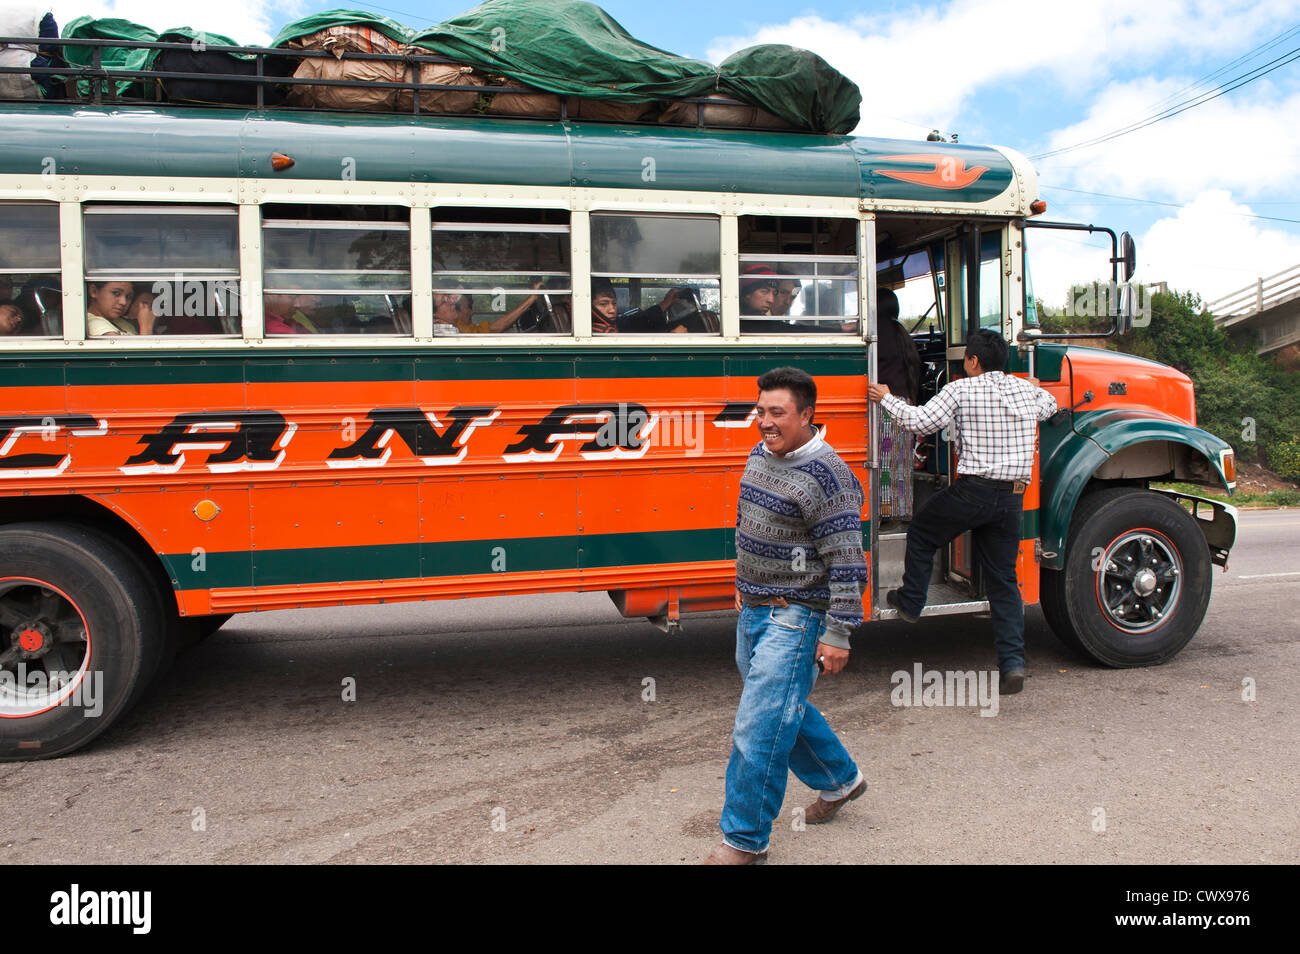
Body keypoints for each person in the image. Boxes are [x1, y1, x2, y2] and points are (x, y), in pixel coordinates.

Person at [704, 366, 869, 865]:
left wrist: (838, 631)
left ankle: (744, 842)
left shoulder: (831, 477)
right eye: (760, 411)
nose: (764, 422)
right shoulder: (762, 453)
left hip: (797, 617)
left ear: (807, 415)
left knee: (758, 725)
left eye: (777, 413)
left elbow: (846, 559)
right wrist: (743, 583)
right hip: (754, 608)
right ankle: (840, 780)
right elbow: (749, 522)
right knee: (780, 711)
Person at [867, 328, 1058, 695]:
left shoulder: (960, 389)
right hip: (1012, 498)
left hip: (974, 491)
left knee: (923, 531)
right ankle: (1012, 664)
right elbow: (1050, 408)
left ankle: (910, 601)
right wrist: (1033, 385)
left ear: (972, 361)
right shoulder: (1026, 390)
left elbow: (920, 422)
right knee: (1003, 580)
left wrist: (887, 398)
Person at [875, 288, 922, 524]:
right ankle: (900, 512)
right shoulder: (900, 332)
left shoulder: (877, 333)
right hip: (904, 405)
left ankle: (883, 515)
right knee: (899, 465)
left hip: (885, 407)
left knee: (882, 464)